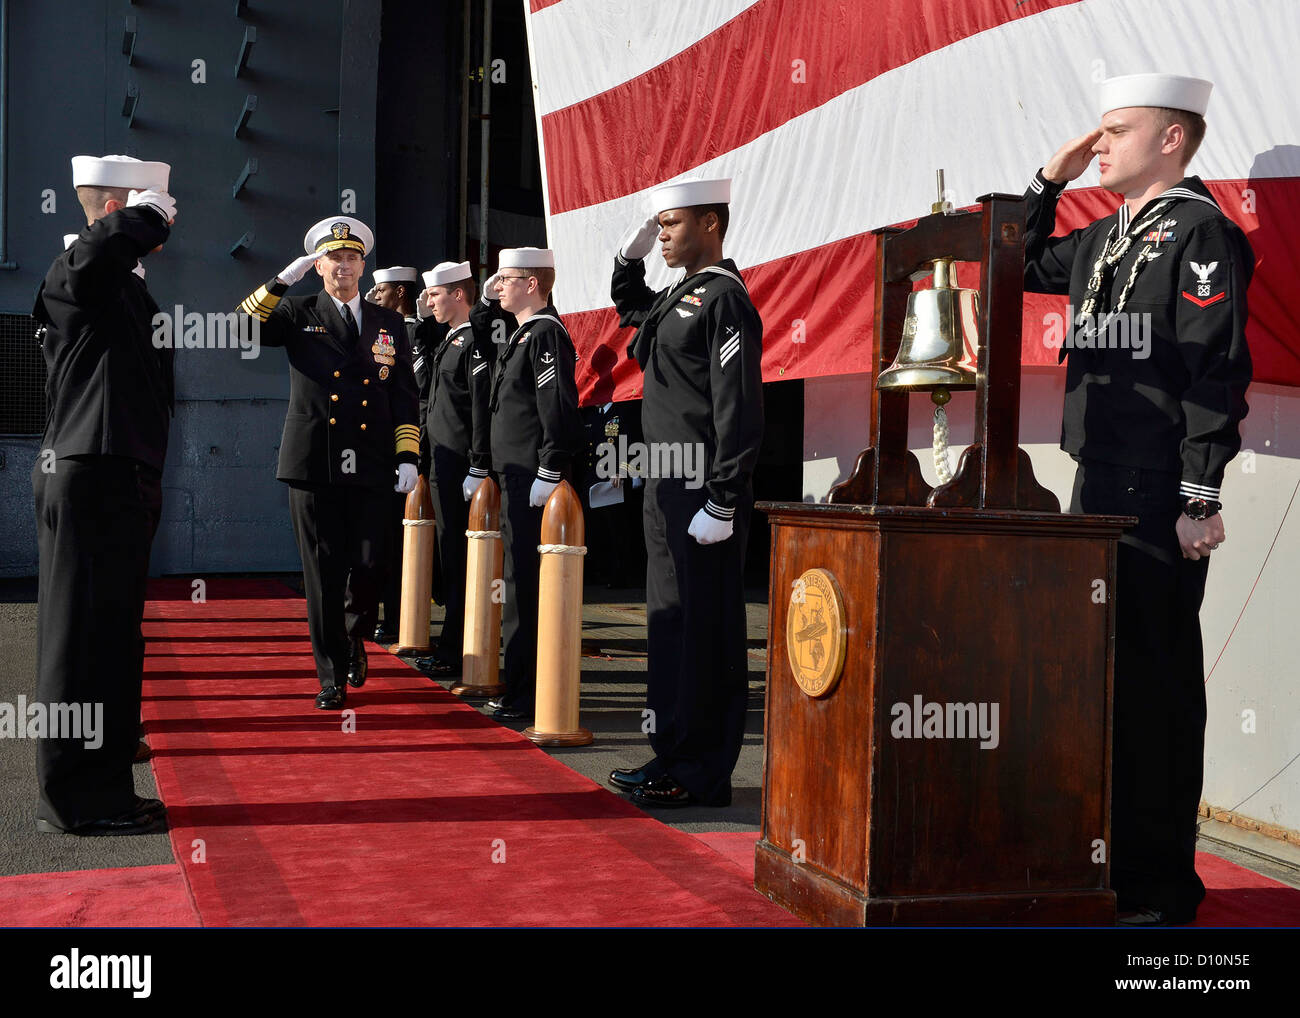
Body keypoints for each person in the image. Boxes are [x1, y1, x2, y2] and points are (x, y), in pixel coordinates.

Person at [1022, 73, 1253, 924]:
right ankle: (1107, 860)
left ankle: (1161, 885)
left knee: (1155, 684)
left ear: (1172, 139)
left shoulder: (1200, 234)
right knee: (1102, 679)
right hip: (1096, 478)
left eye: (1117, 130)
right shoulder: (1100, 238)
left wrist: (1200, 494)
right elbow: (1008, 258)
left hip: (1159, 487)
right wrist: (1049, 181)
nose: (1100, 143)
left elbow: (1213, 369)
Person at [32, 154, 177, 835]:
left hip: (117, 470)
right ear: (116, 205)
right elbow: (91, 260)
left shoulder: (119, 283)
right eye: (155, 200)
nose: (169, 213)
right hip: (95, 469)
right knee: (85, 639)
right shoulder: (80, 273)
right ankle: (82, 798)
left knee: (112, 636)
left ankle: (106, 772)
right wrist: (138, 217)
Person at [609, 178, 764, 808]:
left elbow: (739, 407)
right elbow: (627, 304)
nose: (664, 235)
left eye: (672, 224)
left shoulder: (725, 299)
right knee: (669, 624)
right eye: (660, 226)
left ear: (711, 223)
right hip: (667, 485)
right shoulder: (680, 295)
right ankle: (672, 754)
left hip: (704, 488)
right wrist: (632, 252)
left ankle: (704, 771)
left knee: (707, 629)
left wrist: (724, 496)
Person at [237, 217, 420, 709]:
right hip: (314, 460)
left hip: (373, 461)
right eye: (333, 258)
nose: (343, 265)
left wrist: (407, 454)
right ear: (318, 265)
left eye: (351, 258)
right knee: (322, 571)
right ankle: (331, 674)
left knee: (369, 562)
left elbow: (403, 392)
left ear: (363, 265)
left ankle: (356, 632)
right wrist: (281, 281)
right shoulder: (298, 312)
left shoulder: (389, 323)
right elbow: (244, 325)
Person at [469, 247, 583, 719]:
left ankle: (525, 693)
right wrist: (484, 294)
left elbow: (555, 403)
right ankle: (519, 685)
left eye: (507, 278)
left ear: (532, 284)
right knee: (514, 582)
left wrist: (549, 469)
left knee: (525, 587)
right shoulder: (519, 334)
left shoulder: (545, 335)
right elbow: (479, 325)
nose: (498, 286)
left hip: (530, 478)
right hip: (512, 474)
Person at [412, 261, 494, 674]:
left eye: (436, 294)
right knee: (449, 558)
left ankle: (458, 651)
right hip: (442, 462)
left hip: (461, 464)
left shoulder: (473, 341)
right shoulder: (450, 339)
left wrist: (479, 465)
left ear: (458, 295)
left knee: (461, 560)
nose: (429, 302)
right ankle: (450, 645)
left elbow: (479, 407)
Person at [365, 265, 422, 643]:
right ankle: (387, 615)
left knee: (408, 545)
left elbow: (414, 394)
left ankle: (405, 618)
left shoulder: (417, 332)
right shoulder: (374, 328)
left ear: (400, 292)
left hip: (413, 450)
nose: (374, 297)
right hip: (385, 452)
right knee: (383, 541)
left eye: (382, 290)